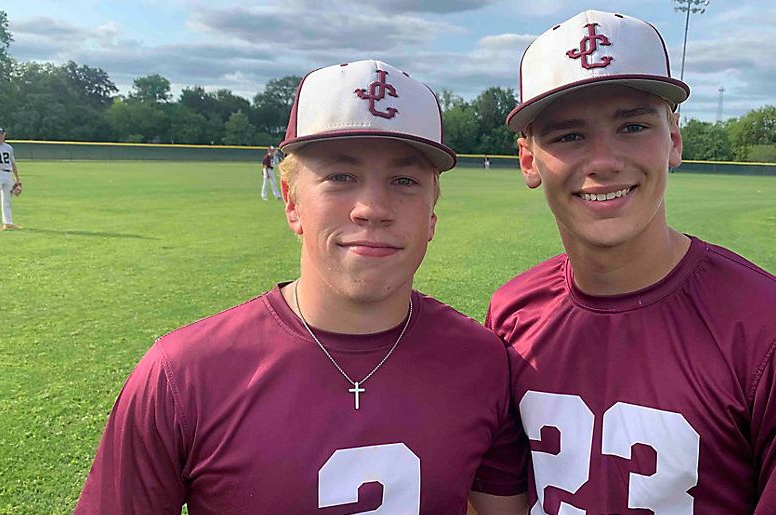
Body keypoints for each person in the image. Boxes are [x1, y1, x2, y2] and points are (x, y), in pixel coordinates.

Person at [75, 60, 528, 514]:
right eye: (340, 177)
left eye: (405, 181)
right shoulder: (182, 375)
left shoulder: (483, 363)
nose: (371, 208)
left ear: (432, 212)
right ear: (292, 202)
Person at [486, 10, 776, 514]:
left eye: (633, 125)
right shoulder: (513, 312)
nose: (604, 160)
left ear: (675, 140)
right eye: (568, 136)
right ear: (528, 161)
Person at [0, 127, 22, 231]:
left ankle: (8, 222)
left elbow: (13, 164)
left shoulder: (8, 147)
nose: (0, 136)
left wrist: (17, 179)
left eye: (2, 134)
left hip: (7, 174)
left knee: (7, 200)